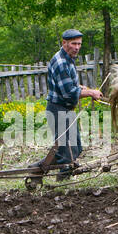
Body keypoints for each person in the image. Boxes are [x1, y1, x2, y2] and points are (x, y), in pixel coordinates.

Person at [40, 29, 102, 179]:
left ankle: (38, 169)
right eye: (73, 43)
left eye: (79, 44)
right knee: (67, 153)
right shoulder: (61, 62)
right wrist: (91, 93)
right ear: (64, 43)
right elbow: (68, 92)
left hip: (65, 109)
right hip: (58, 109)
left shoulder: (67, 58)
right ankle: (62, 184)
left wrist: (83, 88)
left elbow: (69, 84)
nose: (77, 47)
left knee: (75, 148)